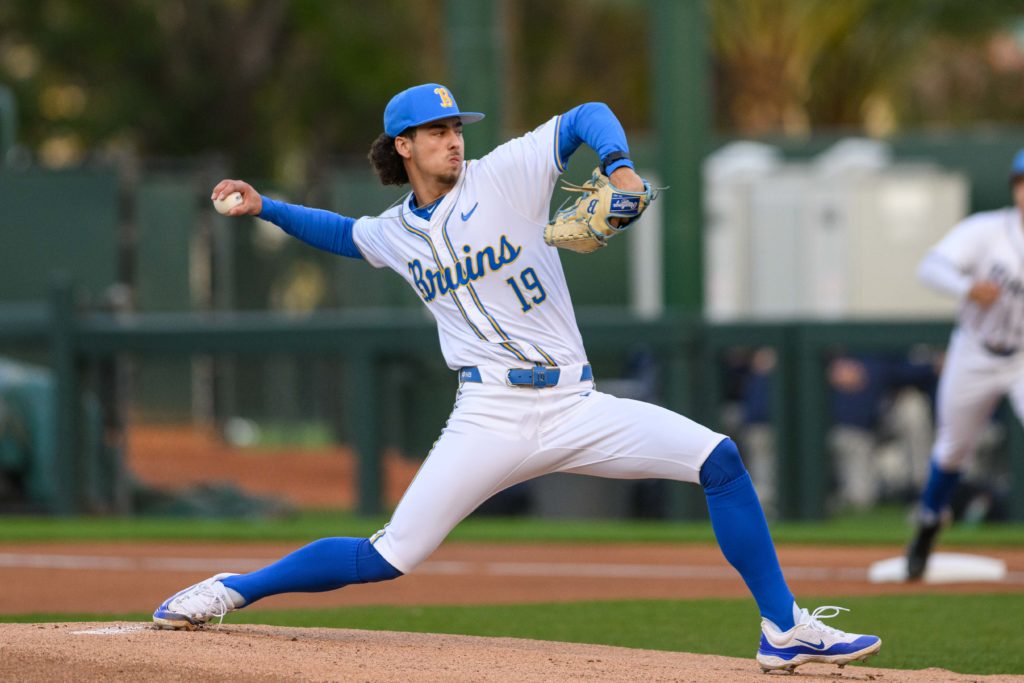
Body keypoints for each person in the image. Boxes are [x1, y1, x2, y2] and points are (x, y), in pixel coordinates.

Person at [152, 83, 880, 672]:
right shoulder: (397, 232)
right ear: (404, 147)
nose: (452, 137)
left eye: (456, 125)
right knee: (389, 555)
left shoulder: (504, 174)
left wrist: (620, 167)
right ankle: (231, 588)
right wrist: (266, 207)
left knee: (719, 458)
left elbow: (586, 116)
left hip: (576, 401)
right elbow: (344, 234)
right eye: (435, 130)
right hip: (490, 413)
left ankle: (783, 628)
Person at [905, 148, 1024, 580]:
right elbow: (929, 267)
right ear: (1015, 187)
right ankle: (928, 521)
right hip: (975, 350)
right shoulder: (988, 230)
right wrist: (966, 287)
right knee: (954, 448)